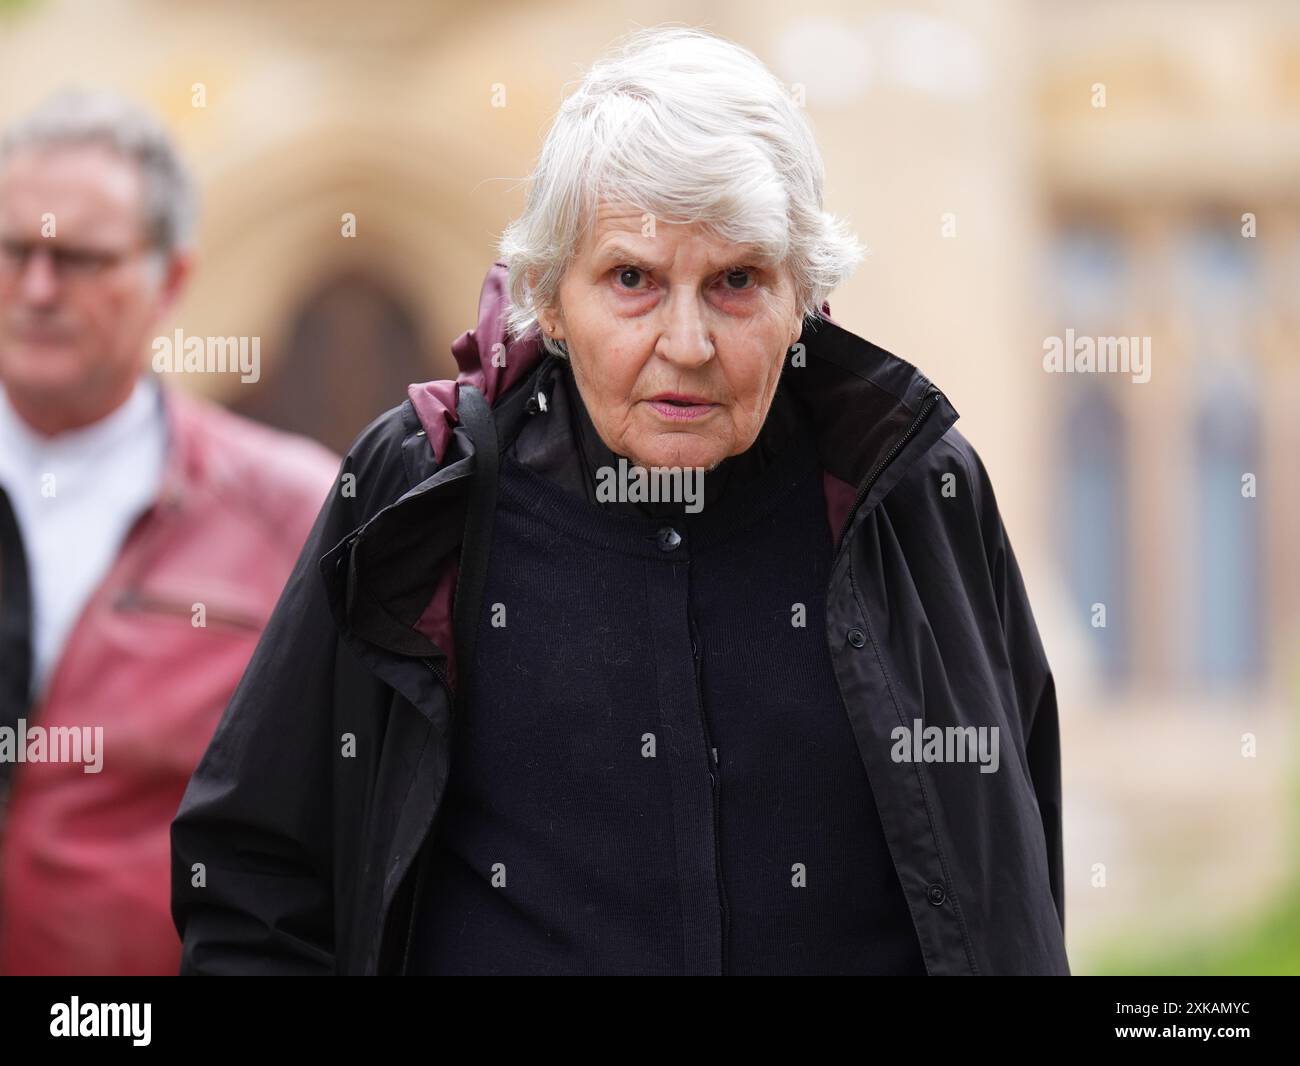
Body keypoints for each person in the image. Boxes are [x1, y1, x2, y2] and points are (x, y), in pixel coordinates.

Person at [172, 27, 1069, 975]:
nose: (686, 343)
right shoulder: (423, 488)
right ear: (551, 300)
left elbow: (1011, 878)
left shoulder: (913, 490)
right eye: (633, 279)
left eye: (735, 282)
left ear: (803, 299)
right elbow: (254, 880)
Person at [0, 88, 339, 974]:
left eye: (80, 258)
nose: (37, 288)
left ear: (173, 279)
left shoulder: (294, 513)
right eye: (14, 249)